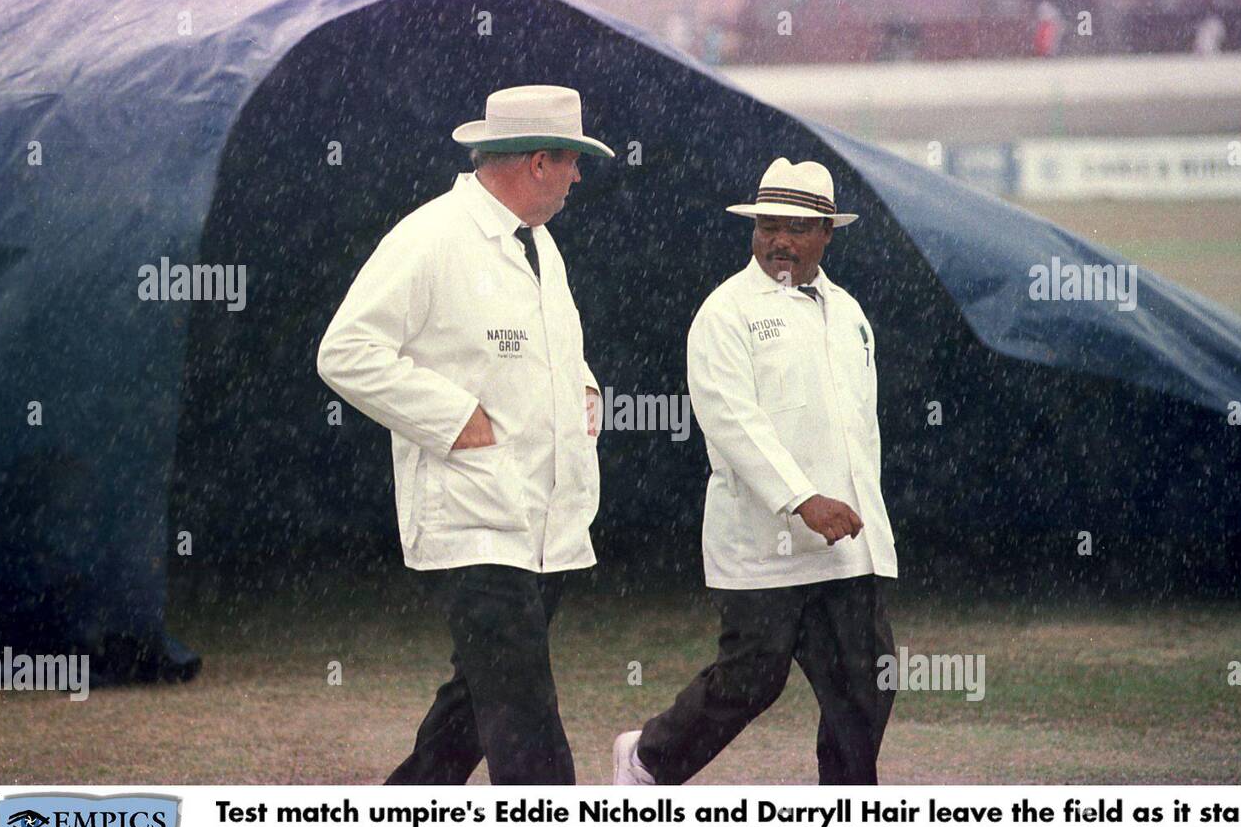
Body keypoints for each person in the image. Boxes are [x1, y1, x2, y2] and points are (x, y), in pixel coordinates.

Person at [317, 85, 612, 784]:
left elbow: (552, 351)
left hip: (546, 520)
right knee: (525, 721)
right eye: (572, 160)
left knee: (472, 710)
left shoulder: (542, 246)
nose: (578, 175)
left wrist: (584, 392)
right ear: (539, 162)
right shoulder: (430, 237)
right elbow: (345, 351)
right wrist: (452, 419)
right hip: (475, 518)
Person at [614, 158, 897, 785]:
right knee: (751, 680)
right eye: (769, 225)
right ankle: (647, 761)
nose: (781, 240)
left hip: (844, 544)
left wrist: (870, 526)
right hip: (762, 541)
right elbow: (732, 423)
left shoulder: (848, 312)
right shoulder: (726, 311)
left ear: (828, 233)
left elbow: (857, 430)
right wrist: (802, 499)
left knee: (865, 685)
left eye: (798, 227)